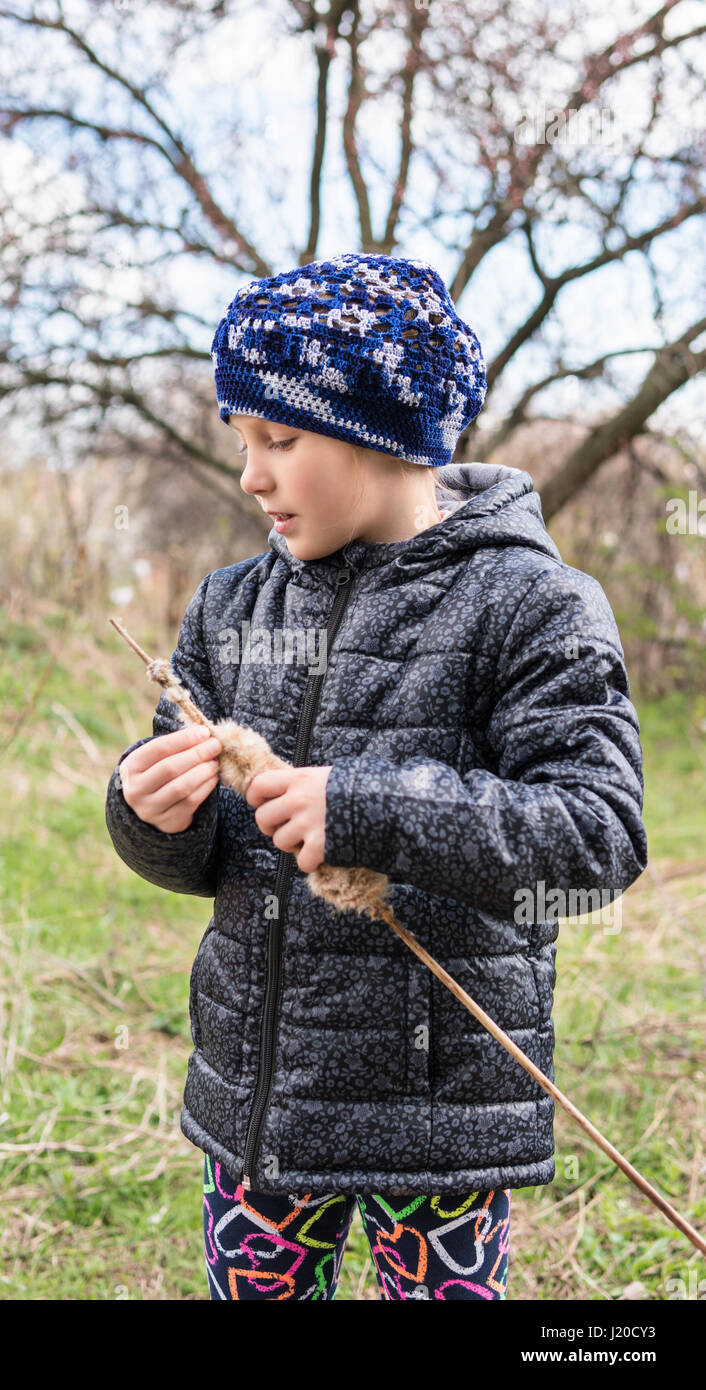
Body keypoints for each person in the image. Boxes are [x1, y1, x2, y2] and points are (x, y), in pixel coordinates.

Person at [105, 252, 648, 1300]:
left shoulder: (530, 605)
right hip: (263, 1106)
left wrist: (362, 805)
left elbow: (594, 839)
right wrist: (151, 816)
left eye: (280, 437)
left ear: (379, 434)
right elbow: (208, 853)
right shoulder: (229, 609)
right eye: (241, 442)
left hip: (434, 1125)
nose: (250, 475)